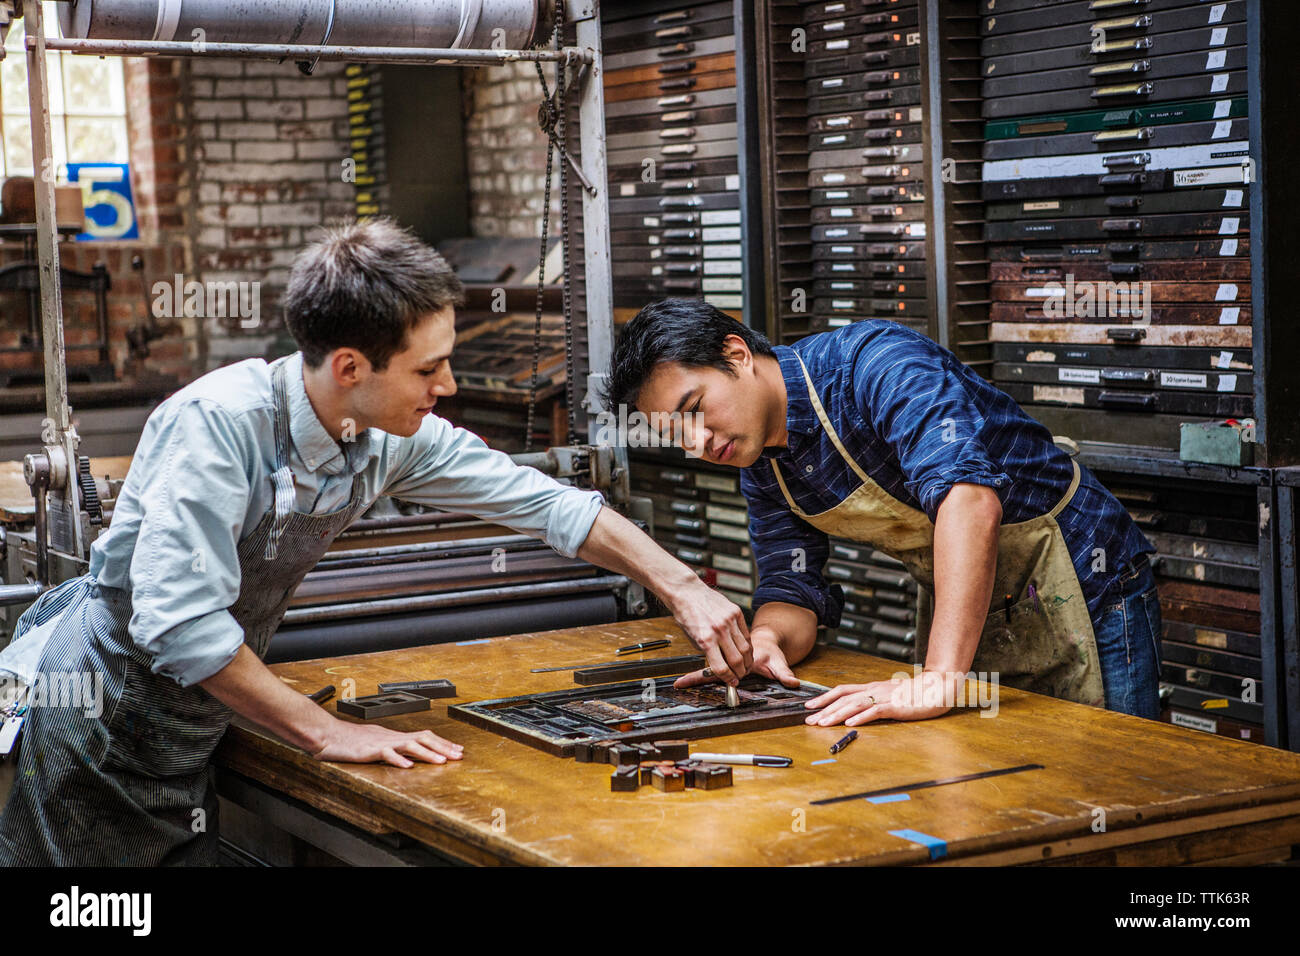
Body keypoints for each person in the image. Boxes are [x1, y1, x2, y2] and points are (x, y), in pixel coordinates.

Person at [0, 223, 751, 865]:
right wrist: (327, 733)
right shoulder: (219, 426)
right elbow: (180, 624)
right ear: (351, 368)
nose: (448, 385)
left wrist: (681, 585)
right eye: (428, 368)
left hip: (199, 720)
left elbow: (545, 503)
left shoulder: (389, 436)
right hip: (104, 721)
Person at [604, 297, 1161, 728]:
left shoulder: (874, 364)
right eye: (675, 435)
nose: (697, 443)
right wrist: (768, 639)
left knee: (1112, 787)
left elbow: (968, 499)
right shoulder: (762, 465)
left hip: (1086, 585)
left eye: (694, 411)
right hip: (972, 608)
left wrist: (941, 676)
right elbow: (791, 587)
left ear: (736, 354)